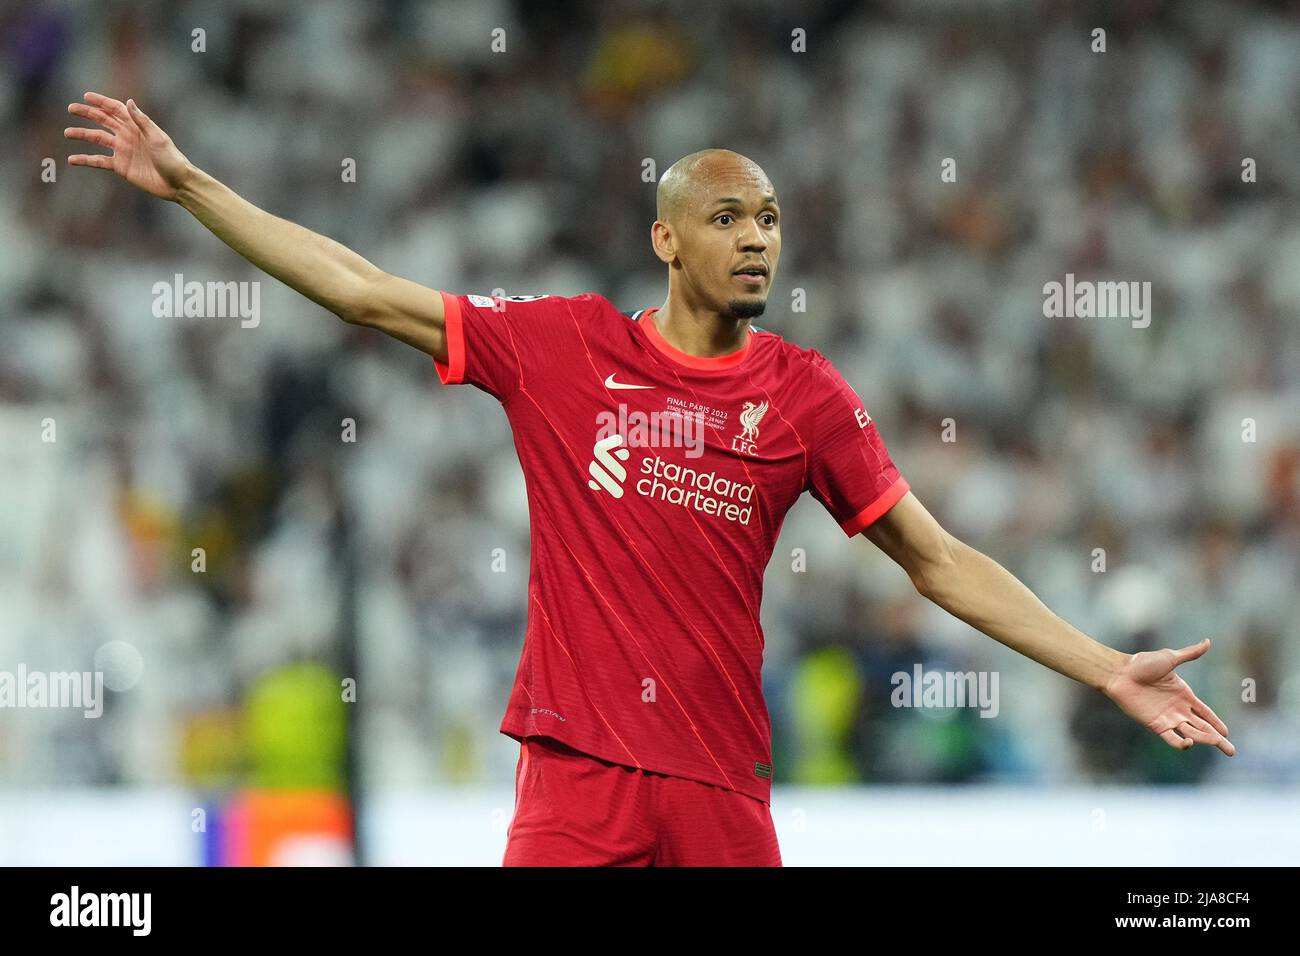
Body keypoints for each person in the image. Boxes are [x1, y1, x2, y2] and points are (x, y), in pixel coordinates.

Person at [66, 91, 1235, 867]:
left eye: (771, 219)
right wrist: (194, 187)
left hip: (721, 787)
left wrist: (1102, 666)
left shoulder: (807, 395)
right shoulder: (564, 347)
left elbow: (937, 561)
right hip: (577, 775)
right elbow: (365, 288)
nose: (758, 238)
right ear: (668, 238)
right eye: (728, 216)